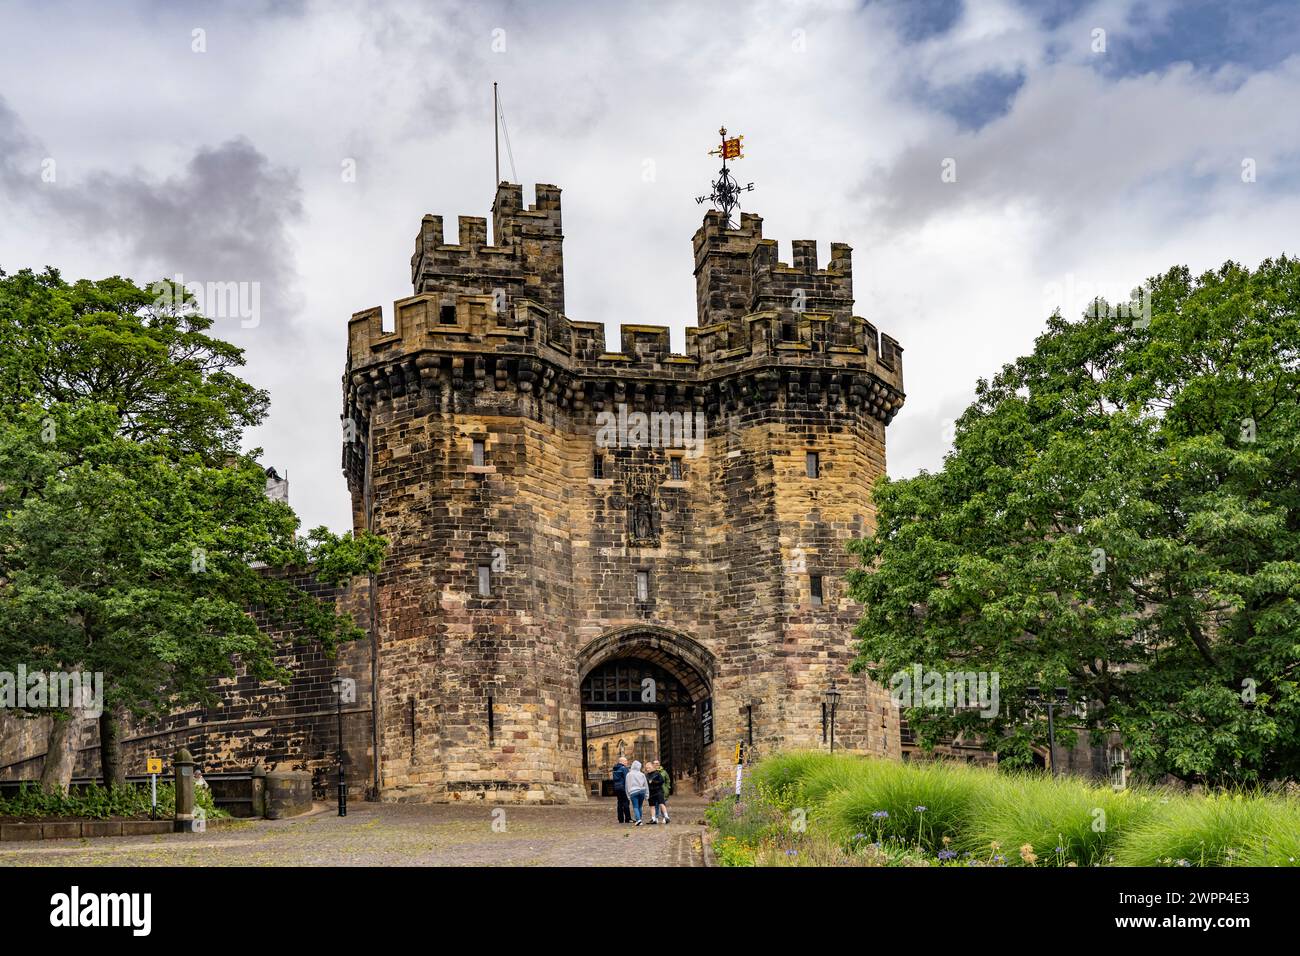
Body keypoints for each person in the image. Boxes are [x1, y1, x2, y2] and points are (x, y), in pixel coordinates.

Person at [625, 759, 649, 826]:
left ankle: (638, 820)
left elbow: (626, 786)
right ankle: (639, 819)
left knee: (635, 806)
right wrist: (647, 794)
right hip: (642, 791)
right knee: (640, 806)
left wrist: (628, 795)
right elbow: (646, 784)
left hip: (633, 792)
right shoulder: (642, 774)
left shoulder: (628, 775)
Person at [646, 760, 669, 825]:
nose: (648, 769)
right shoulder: (646, 775)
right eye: (646, 768)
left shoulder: (657, 773)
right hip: (651, 792)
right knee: (652, 806)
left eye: (649, 768)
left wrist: (653, 781)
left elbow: (661, 781)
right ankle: (653, 819)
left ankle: (666, 816)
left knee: (661, 803)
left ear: (652, 767)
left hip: (658, 791)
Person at [611, 755, 630, 824]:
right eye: (625, 761)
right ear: (621, 762)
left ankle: (620, 819)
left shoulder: (615, 769)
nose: (627, 762)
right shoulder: (624, 768)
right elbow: (627, 778)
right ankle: (628, 818)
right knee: (626, 802)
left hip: (617, 788)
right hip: (623, 787)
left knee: (619, 803)